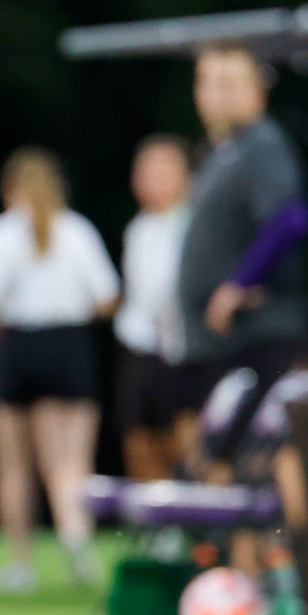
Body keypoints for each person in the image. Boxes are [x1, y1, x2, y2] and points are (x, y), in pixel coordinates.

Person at [0, 148, 120, 593]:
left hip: (14, 347)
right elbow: (107, 297)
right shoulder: (77, 230)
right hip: (66, 346)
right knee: (69, 462)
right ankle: (76, 542)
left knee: (13, 467)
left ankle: (20, 563)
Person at [176, 43, 308, 435]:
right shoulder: (224, 150)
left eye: (229, 83)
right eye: (208, 82)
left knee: (260, 453)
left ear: (257, 90)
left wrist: (239, 284)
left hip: (257, 338)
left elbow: (292, 219)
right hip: (223, 343)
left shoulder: (262, 144)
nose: (217, 94)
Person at [114, 134, 192, 481]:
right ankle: (150, 510)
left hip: (183, 348)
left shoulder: (195, 226)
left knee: (184, 437)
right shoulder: (138, 229)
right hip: (140, 345)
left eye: (162, 173)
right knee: (137, 438)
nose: (151, 182)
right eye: (145, 173)